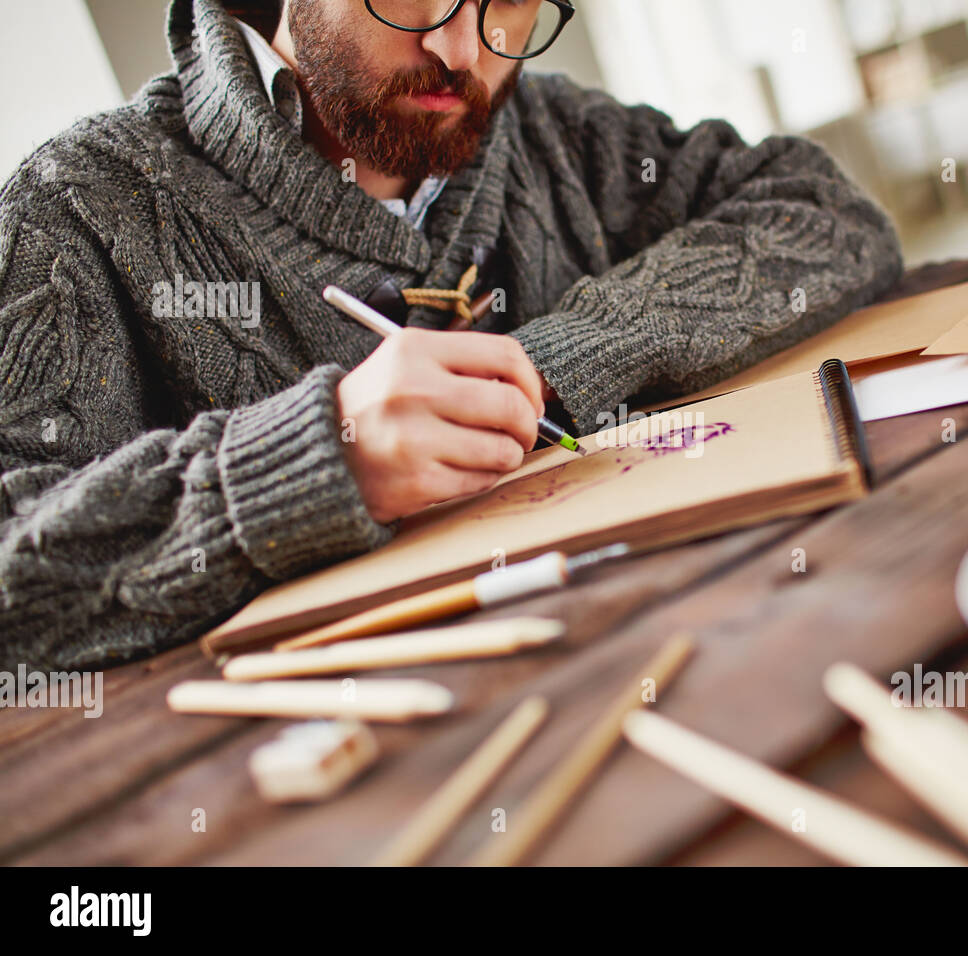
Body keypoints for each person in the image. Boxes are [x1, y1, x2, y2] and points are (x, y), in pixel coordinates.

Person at [0, 0, 902, 670]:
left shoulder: (554, 130)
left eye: (506, 0)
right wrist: (317, 463)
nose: (459, 50)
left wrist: (563, 357)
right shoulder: (72, 211)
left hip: (653, 661)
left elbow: (825, 212)